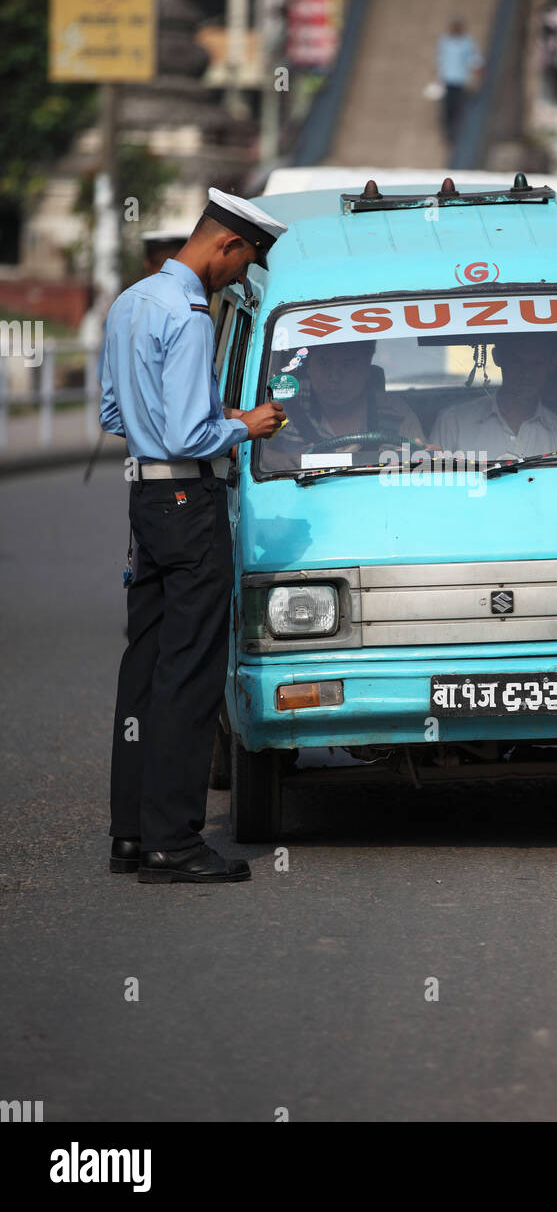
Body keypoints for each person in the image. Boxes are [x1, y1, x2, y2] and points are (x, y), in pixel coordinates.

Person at [99, 187, 288, 884]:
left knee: (145, 666)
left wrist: (204, 416)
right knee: (191, 669)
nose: (239, 279)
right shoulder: (189, 314)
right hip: (189, 495)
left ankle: (130, 833)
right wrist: (246, 424)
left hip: (147, 495)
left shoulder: (130, 303)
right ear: (227, 245)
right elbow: (190, 432)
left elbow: (116, 413)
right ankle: (173, 844)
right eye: (242, 266)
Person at [262, 338, 425, 470]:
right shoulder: (284, 406)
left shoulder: (397, 414)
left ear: (367, 369)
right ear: (309, 367)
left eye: (347, 365)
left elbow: (421, 464)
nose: (335, 377)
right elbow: (248, 454)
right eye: (324, 363)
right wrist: (271, 458)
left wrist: (427, 456)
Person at [430, 334, 557, 460]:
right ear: (498, 358)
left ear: (551, 364)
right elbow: (433, 485)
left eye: (536, 364)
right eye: (516, 362)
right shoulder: (453, 423)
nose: (526, 373)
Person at [436, 18, 483, 146]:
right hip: (448, 80)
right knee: (447, 110)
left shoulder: (467, 42)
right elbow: (441, 60)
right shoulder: (445, 41)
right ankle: (447, 134)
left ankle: (456, 135)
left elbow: (475, 60)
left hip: (460, 81)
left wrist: (477, 78)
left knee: (458, 110)